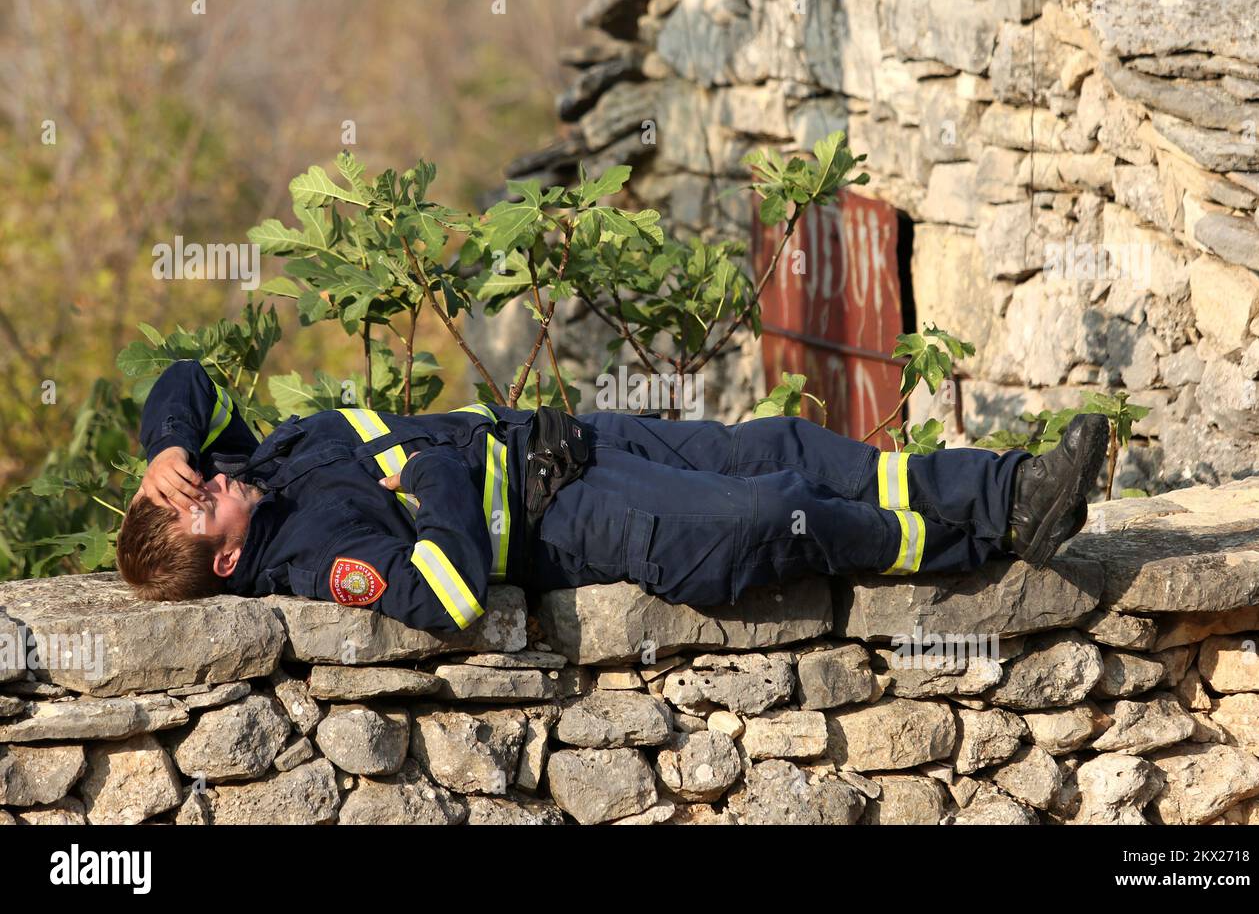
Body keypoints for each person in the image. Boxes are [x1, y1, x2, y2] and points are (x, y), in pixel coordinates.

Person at [116, 360, 1109, 632]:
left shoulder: (262, 473)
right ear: (229, 559)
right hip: (574, 521)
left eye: (190, 481)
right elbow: (452, 597)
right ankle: (973, 543)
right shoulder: (313, 555)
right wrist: (431, 477)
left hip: (573, 440)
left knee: (783, 440)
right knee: (773, 509)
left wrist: (165, 445)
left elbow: (187, 375)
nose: (210, 481)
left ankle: (1013, 491)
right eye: (198, 503)